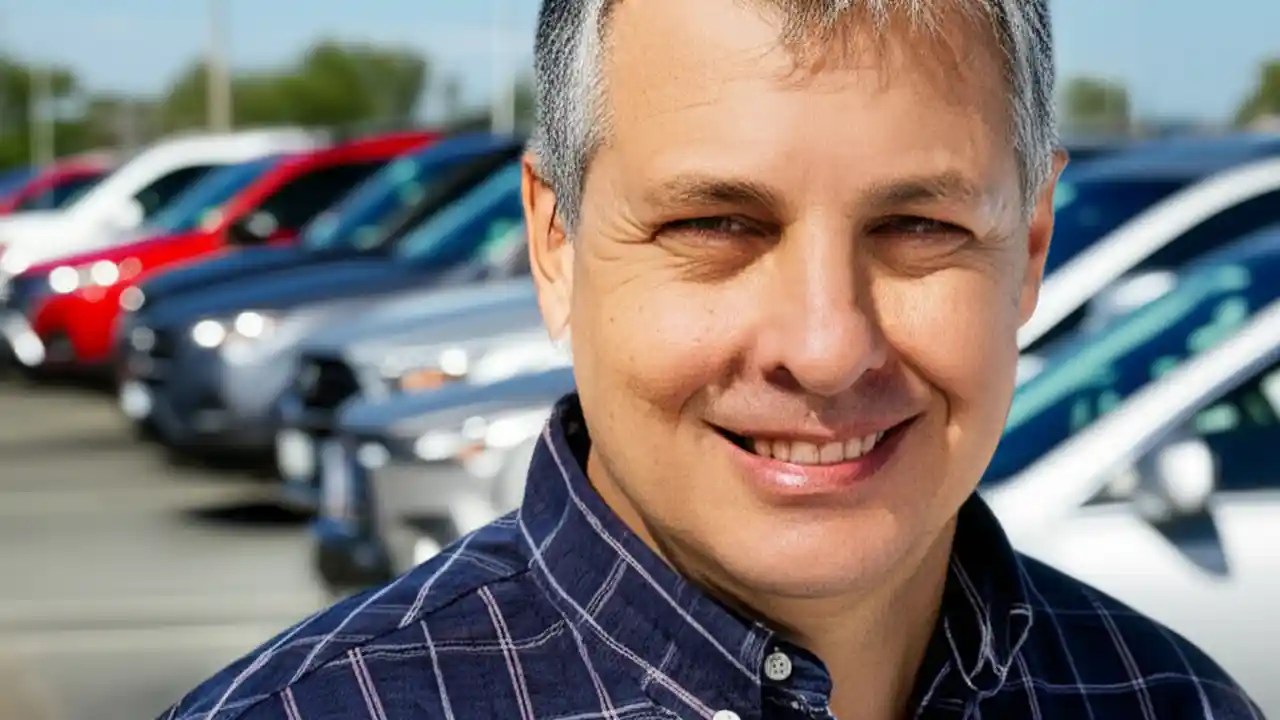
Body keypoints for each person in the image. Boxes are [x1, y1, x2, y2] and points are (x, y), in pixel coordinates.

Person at [162, 1, 1263, 718]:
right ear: (555, 243)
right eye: (714, 226)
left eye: (919, 227)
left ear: (1025, 252)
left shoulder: (1166, 698)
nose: (826, 348)